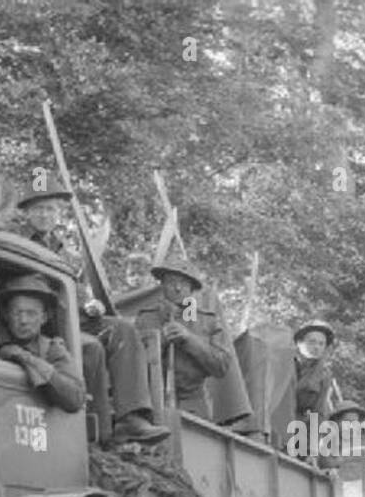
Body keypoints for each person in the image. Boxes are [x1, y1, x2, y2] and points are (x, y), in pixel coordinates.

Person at [15, 179, 167, 445]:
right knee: (91, 348)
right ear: (26, 212)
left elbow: (75, 285)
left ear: (58, 212)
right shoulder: (16, 241)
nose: (44, 215)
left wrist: (89, 303)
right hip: (40, 322)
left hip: (72, 316)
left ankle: (131, 418)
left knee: (122, 329)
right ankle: (100, 432)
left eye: (50, 209)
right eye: (38, 209)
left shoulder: (62, 249)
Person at [135, 255, 232, 419]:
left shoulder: (207, 320)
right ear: (163, 285)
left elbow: (221, 366)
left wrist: (190, 339)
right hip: (152, 403)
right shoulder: (146, 318)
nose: (178, 288)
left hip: (193, 404)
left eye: (184, 283)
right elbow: (133, 365)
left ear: (192, 288)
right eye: (172, 281)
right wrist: (161, 341)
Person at [0, 275, 85, 412]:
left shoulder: (52, 349)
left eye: (31, 314)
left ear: (43, 318)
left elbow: (75, 398)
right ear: (6, 315)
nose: (23, 320)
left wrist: (25, 358)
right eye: (17, 313)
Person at [294, 320, 335, 423]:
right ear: (299, 343)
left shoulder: (323, 374)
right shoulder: (285, 365)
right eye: (312, 342)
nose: (316, 347)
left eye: (321, 344)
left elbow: (319, 409)